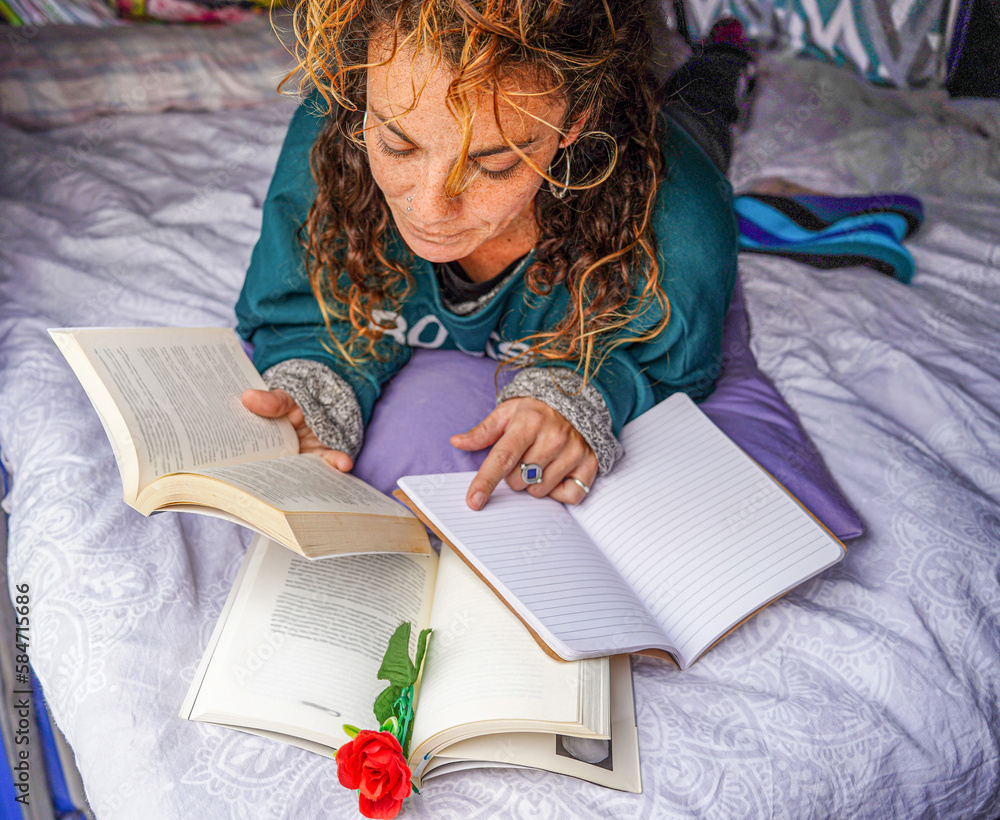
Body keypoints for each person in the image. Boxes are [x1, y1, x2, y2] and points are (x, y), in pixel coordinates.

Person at [236, 0, 752, 510]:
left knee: (699, 106)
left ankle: (724, 54)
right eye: (397, 143)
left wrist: (581, 399)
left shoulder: (683, 217)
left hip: (670, 139)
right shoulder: (329, 132)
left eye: (495, 162)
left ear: (574, 122)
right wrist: (314, 396)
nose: (430, 209)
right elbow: (298, 312)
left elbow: (671, 365)